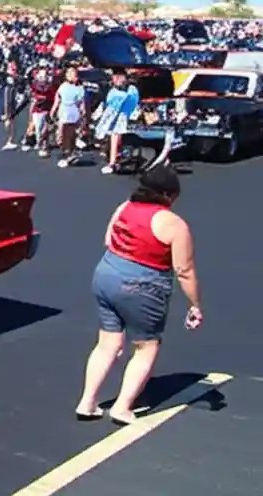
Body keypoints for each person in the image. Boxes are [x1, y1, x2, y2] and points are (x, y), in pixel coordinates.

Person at [75, 165, 202, 425]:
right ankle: (122, 408)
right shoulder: (173, 224)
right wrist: (195, 304)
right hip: (142, 286)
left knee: (107, 343)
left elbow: (108, 240)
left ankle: (87, 402)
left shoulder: (124, 207)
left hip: (107, 274)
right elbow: (184, 270)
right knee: (146, 346)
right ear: (168, 195)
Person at [94, 69, 140, 174]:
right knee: (113, 136)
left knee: (116, 136)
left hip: (125, 116)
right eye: (115, 76)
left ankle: (113, 161)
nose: (118, 79)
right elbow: (108, 104)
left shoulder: (131, 89)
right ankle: (112, 160)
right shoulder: (111, 90)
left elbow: (133, 103)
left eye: (120, 76)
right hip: (112, 117)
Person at [52, 66, 86, 167]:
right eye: (70, 74)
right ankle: (67, 152)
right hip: (64, 112)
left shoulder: (79, 89)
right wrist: (53, 110)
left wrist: (83, 113)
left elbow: (81, 103)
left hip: (73, 113)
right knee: (61, 135)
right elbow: (57, 99)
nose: (72, 77)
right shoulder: (63, 87)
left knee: (71, 135)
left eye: (74, 75)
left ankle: (70, 154)